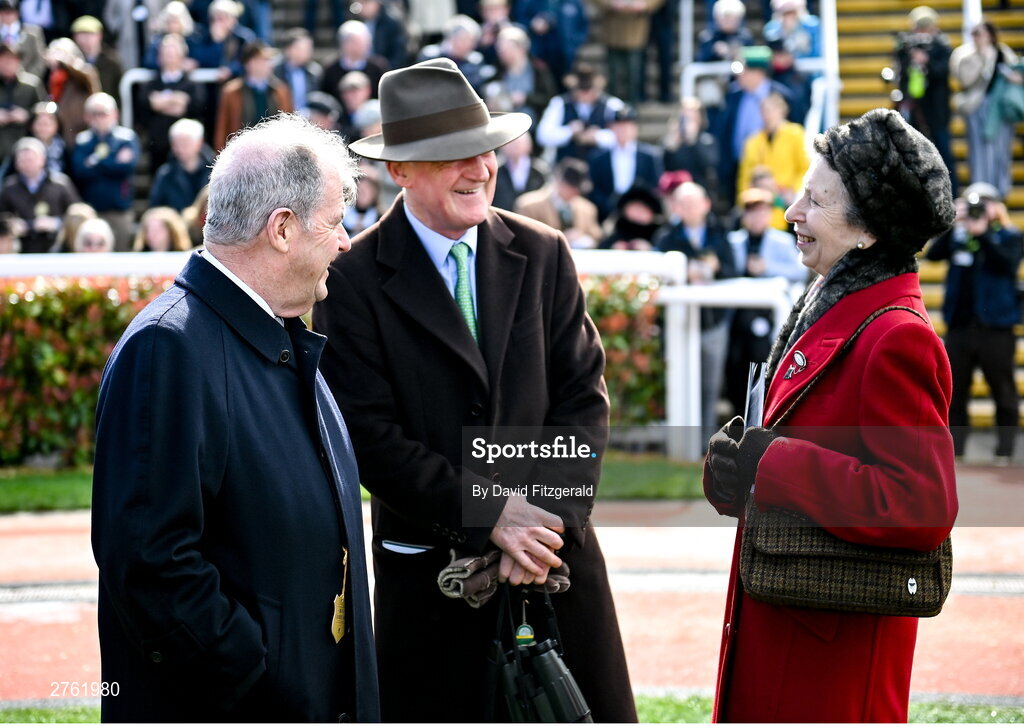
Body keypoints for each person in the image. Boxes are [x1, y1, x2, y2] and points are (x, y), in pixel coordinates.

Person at [312, 58, 636, 723]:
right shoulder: (352, 282)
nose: (481, 167)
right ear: (399, 169)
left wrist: (539, 519)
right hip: (433, 589)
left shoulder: (544, 252)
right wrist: (494, 512)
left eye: (485, 148)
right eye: (454, 155)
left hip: (555, 567)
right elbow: (371, 441)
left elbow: (584, 400)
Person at [91, 113, 380, 722]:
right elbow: (150, 564)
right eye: (335, 222)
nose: (345, 240)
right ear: (282, 229)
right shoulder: (168, 347)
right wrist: (263, 671)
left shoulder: (270, 331)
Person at [705, 108, 959, 722]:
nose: (792, 213)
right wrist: (738, 471)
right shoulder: (830, 304)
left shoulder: (897, 336)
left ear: (868, 230)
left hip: (831, 665)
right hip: (790, 626)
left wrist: (775, 463)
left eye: (815, 201)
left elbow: (920, 506)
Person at [926, 182, 1022, 463]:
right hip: (960, 327)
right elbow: (933, 255)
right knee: (956, 393)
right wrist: (951, 223)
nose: (979, 209)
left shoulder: (1008, 236)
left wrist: (983, 235)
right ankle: (956, 452)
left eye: (984, 203)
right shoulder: (958, 235)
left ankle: (1004, 451)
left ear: (997, 207)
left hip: (996, 328)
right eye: (972, 203)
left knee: (1003, 391)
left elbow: (1007, 264)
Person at [653, 180, 736, 444]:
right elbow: (657, 277)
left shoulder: (720, 233)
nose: (688, 209)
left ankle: (707, 445)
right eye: (683, 204)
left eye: (693, 203)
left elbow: (733, 271)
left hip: (714, 322)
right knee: (679, 384)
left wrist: (716, 268)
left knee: (710, 386)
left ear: (706, 205)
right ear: (675, 207)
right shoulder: (666, 237)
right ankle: (680, 444)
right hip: (679, 324)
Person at [723, 186, 806, 416]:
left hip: (766, 317)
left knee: (761, 364)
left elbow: (799, 271)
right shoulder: (733, 241)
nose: (757, 217)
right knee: (734, 367)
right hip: (737, 318)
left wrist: (767, 268)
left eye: (762, 212)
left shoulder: (781, 241)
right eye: (752, 212)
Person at [951, 21, 1022, 202]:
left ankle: (1000, 190)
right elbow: (965, 80)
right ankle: (981, 190)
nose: (976, 37)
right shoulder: (965, 55)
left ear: (990, 35)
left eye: (979, 33)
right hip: (977, 109)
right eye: (974, 34)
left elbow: (1016, 73)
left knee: (1000, 151)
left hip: (999, 110)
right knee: (979, 151)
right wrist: (982, 60)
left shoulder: (1002, 52)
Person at [893, 5, 956, 195]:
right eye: (919, 28)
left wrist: (926, 60)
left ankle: (950, 192)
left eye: (926, 28)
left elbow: (943, 73)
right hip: (913, 108)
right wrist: (909, 55)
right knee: (912, 153)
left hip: (936, 111)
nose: (922, 33)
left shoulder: (942, 47)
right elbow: (900, 75)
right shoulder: (906, 47)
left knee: (943, 151)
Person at [69, 92, 139, 251]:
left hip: (119, 211)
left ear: (115, 114)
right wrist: (112, 161)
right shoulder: (82, 140)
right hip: (91, 212)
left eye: (103, 113)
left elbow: (126, 167)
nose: (99, 118)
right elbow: (80, 171)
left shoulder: (126, 138)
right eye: (94, 114)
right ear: (87, 116)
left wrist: (94, 162)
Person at [0, 136, 79, 253]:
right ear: (16, 163)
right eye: (23, 160)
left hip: (58, 246)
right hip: (22, 248)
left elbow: (78, 213)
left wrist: (57, 223)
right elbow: (2, 215)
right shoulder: (9, 186)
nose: (27, 164)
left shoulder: (60, 183)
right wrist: (12, 225)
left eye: (31, 159)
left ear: (42, 159)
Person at [138, 32, 203, 172]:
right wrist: (177, 99)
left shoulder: (191, 84)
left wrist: (162, 102)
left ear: (182, 56)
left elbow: (193, 106)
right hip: (157, 146)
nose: (169, 57)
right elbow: (148, 104)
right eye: (165, 53)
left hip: (186, 151)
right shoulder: (150, 83)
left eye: (173, 53)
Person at [587, 104, 663, 222]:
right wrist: (613, 208)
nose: (623, 130)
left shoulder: (650, 156)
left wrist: (636, 208)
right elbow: (595, 190)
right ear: (611, 128)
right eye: (619, 126)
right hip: (608, 217)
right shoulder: (598, 158)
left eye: (627, 126)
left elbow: (655, 186)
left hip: (641, 218)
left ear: (635, 128)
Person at [536, 62, 623, 162]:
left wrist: (597, 136)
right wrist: (570, 131)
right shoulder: (559, 103)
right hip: (567, 167)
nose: (584, 94)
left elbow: (625, 136)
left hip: (601, 170)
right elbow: (542, 136)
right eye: (581, 89)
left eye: (588, 90)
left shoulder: (611, 104)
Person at [736, 91, 809, 211]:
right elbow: (745, 175)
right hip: (759, 200)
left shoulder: (795, 134)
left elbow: (804, 167)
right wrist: (743, 199)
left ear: (782, 111)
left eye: (771, 110)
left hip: (786, 197)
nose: (767, 115)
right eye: (764, 111)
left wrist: (795, 191)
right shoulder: (753, 141)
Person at [214, 41, 293, 151]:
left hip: (274, 153)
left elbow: (289, 124)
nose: (268, 64)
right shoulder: (231, 92)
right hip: (242, 153)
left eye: (268, 60)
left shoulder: (281, 91)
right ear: (249, 63)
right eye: (262, 60)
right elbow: (223, 128)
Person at [515, 156, 602, 249]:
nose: (575, 191)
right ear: (559, 181)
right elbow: (523, 238)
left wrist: (583, 238)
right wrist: (560, 239)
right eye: (571, 187)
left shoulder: (587, 209)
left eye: (577, 188)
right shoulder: (529, 205)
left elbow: (597, 237)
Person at [592, 0, 665, 106]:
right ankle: (613, 109)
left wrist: (645, 5)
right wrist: (610, 4)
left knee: (633, 76)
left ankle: (631, 109)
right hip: (613, 31)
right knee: (614, 76)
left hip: (635, 32)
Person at [149, 118, 214, 212]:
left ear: (199, 143)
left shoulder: (215, 172)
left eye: (185, 144)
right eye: (176, 144)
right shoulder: (165, 174)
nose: (180, 149)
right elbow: (155, 208)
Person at [0, 41, 46, 161]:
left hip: (25, 142)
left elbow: (44, 113)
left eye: (12, 59)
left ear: (19, 61)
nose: (8, 63)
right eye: (4, 59)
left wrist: (27, 115)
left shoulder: (31, 84)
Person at [70, 15, 123, 107]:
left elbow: (118, 93)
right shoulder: (70, 62)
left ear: (100, 35)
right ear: (75, 37)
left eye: (90, 34)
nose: (86, 39)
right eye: (82, 35)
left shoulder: (111, 62)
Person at [273, 28, 321, 116]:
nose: (308, 51)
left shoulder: (314, 71)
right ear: (289, 49)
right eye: (303, 48)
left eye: (309, 47)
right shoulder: (274, 71)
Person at [0, 0, 46, 79]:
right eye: (4, 12)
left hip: (27, 82)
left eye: (11, 12)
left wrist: (28, 79)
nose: (7, 15)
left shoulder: (32, 33)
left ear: (18, 13)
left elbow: (40, 61)